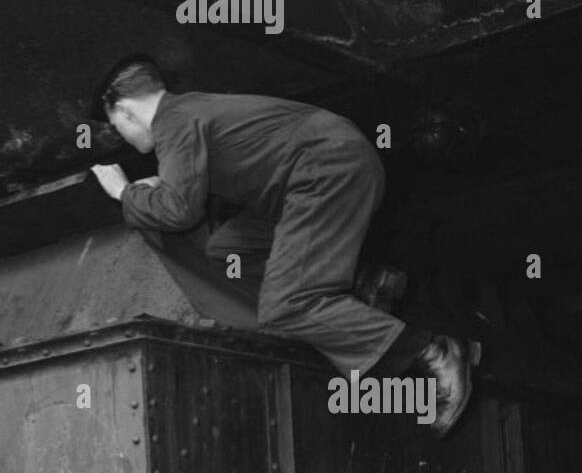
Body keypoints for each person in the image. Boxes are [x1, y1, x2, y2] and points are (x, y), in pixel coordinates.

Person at [89, 54, 481, 436]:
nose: (122, 135)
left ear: (123, 110)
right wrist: (162, 185)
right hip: (314, 175)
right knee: (229, 252)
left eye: (116, 125)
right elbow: (192, 188)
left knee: (287, 303)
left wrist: (123, 193)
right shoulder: (189, 111)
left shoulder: (173, 123)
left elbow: (179, 213)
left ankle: (434, 351)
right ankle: (361, 288)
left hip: (323, 172)